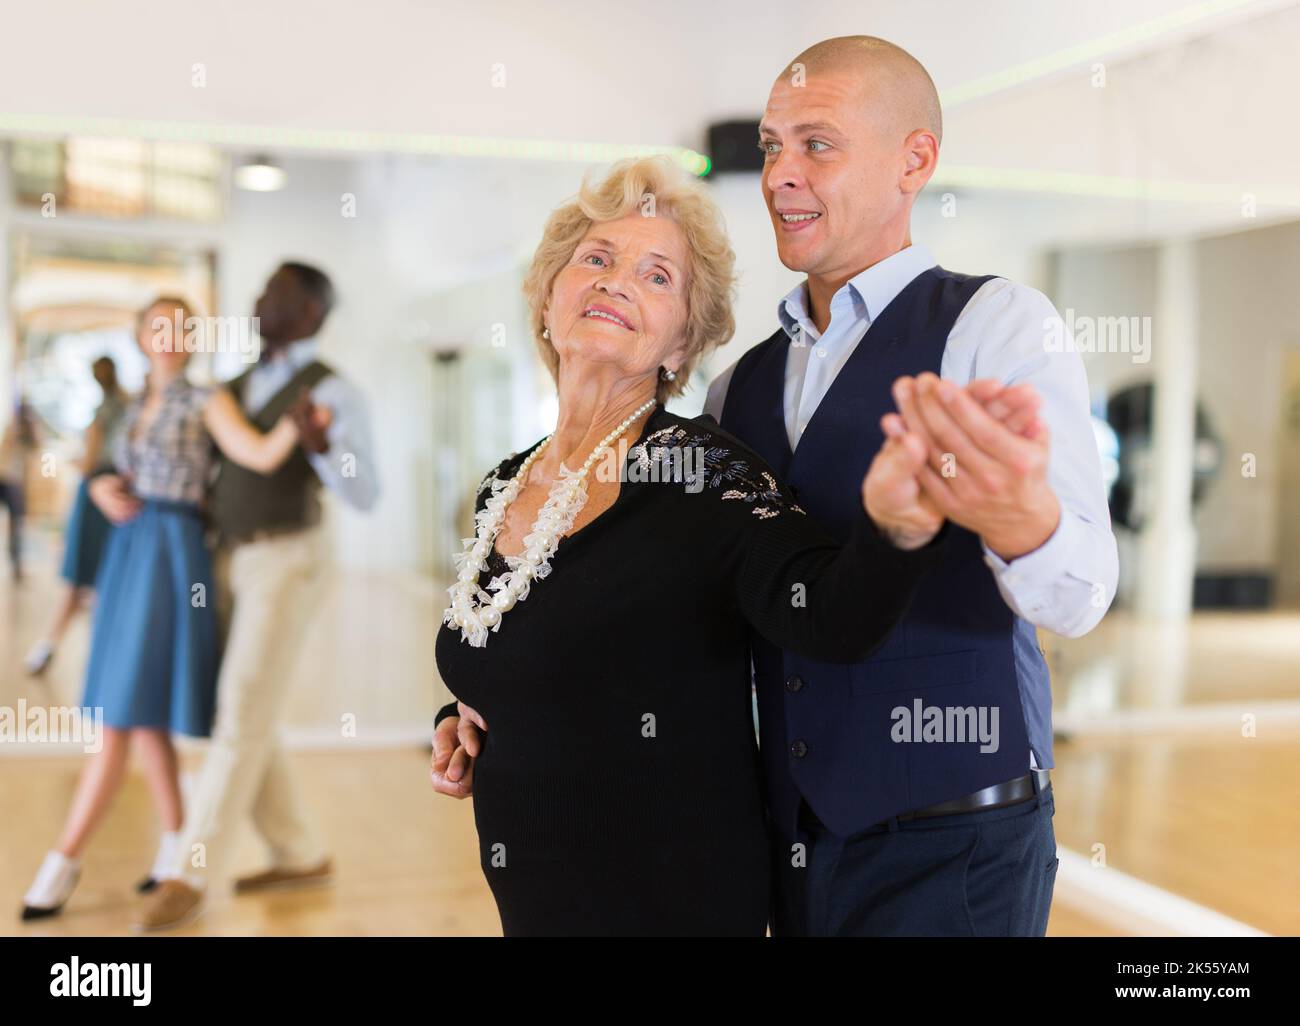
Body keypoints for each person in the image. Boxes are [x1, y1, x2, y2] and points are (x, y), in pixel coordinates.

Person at [442, 37, 1119, 937]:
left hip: (953, 836)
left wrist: (1022, 520)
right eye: (769, 146)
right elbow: (650, 626)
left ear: (914, 160)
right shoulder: (741, 389)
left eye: (817, 144)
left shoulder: (992, 326)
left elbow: (1081, 595)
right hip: (791, 838)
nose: (779, 175)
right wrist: (494, 700)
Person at [21, 297, 310, 921]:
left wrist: (301, 424)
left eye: (183, 327)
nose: (171, 337)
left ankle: (63, 859)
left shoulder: (206, 399)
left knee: (121, 718)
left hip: (173, 554)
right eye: (160, 326)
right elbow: (108, 467)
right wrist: (98, 484)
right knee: (140, 711)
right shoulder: (131, 404)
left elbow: (256, 453)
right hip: (128, 551)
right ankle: (176, 848)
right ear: (141, 336)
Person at [136, 262, 378, 932]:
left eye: (276, 293)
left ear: (311, 312)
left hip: (290, 556)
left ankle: (188, 873)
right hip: (230, 557)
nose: (259, 300)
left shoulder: (335, 390)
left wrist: (327, 447)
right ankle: (300, 853)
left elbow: (365, 494)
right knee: (249, 706)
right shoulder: (235, 385)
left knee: (241, 706)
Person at [26, 356, 130, 676]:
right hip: (122, 496)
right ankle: (101, 654)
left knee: (78, 581)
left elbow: (87, 464)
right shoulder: (129, 406)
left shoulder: (102, 415)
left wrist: (70, 460)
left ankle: (49, 645)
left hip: (96, 498)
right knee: (106, 580)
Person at [0, 401, 39, 580]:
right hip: (6, 479)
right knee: (16, 526)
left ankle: (17, 566)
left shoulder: (30, 435)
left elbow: (37, 450)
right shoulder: (12, 430)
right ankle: (17, 565)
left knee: (17, 527)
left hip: (16, 483)